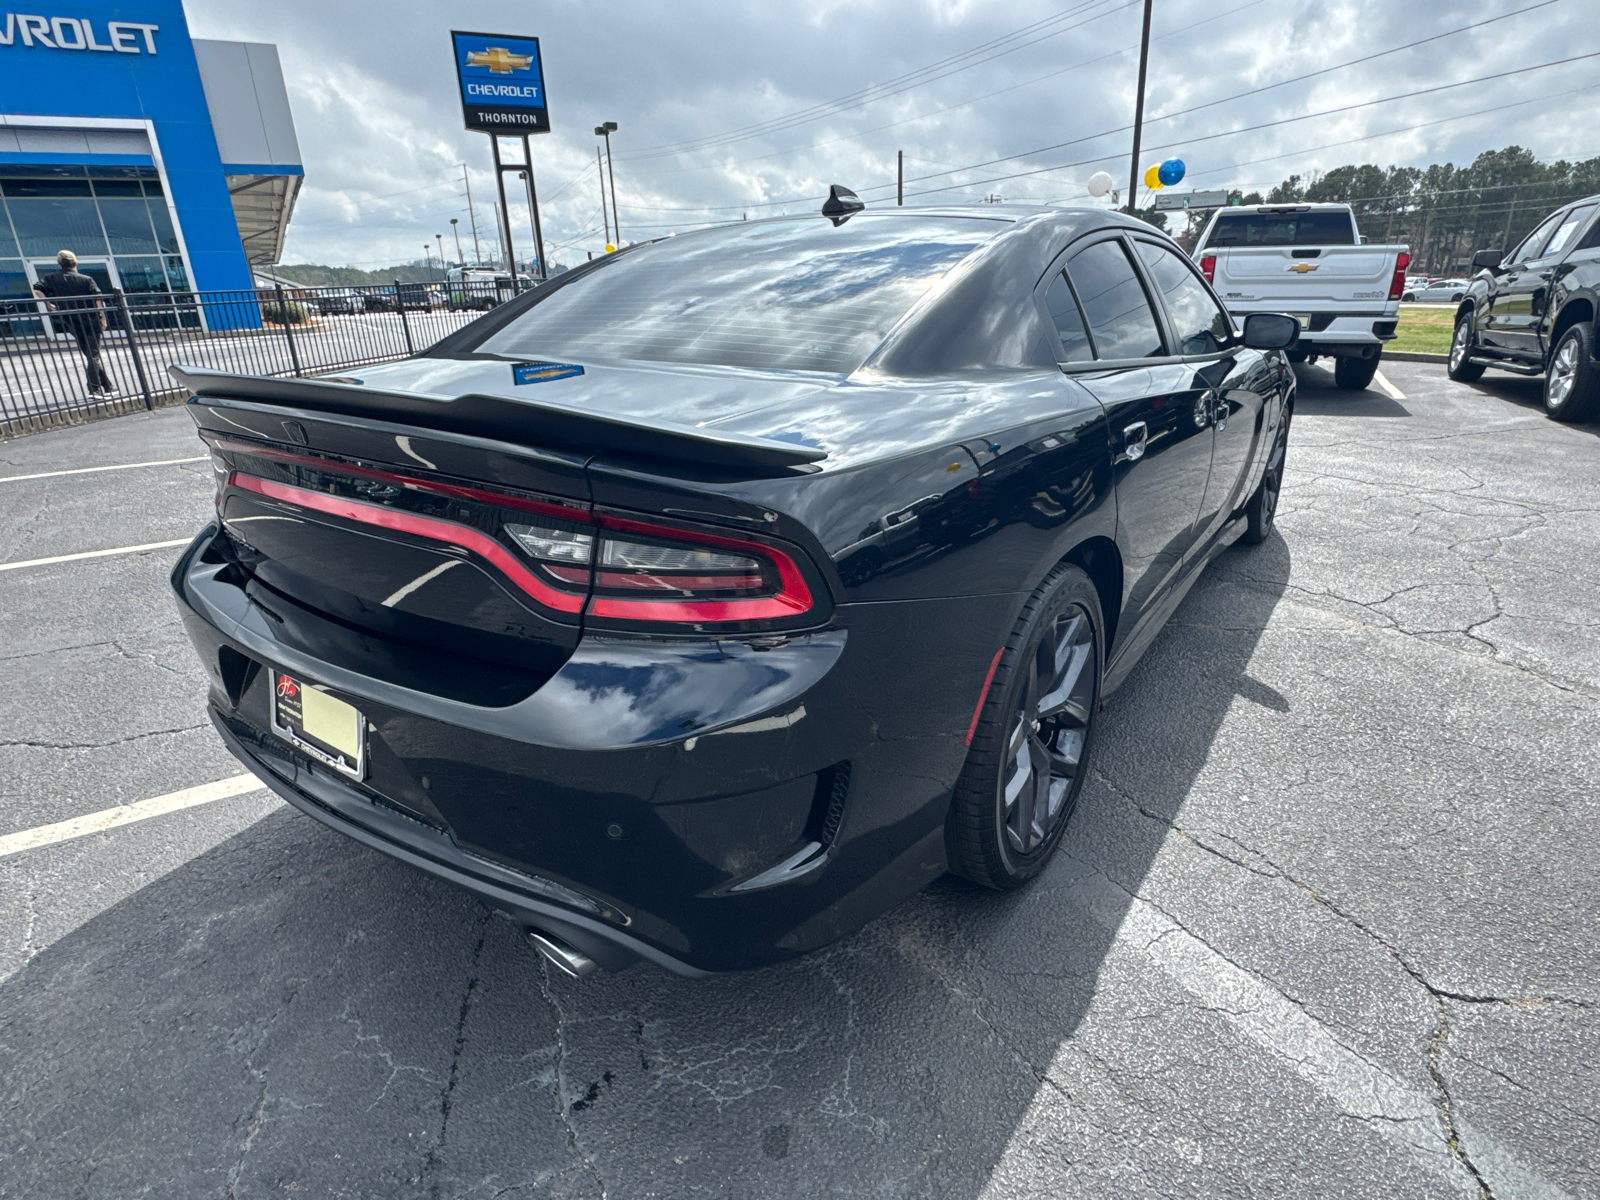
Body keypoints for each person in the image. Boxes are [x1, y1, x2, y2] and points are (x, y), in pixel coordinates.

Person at [33, 249, 117, 397]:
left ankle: (108, 386)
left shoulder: (52, 278)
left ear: (60, 263)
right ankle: (94, 388)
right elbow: (98, 299)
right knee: (93, 355)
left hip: (71, 320)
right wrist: (103, 317)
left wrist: (49, 304)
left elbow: (37, 289)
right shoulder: (86, 279)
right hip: (90, 320)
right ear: (75, 263)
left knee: (90, 354)